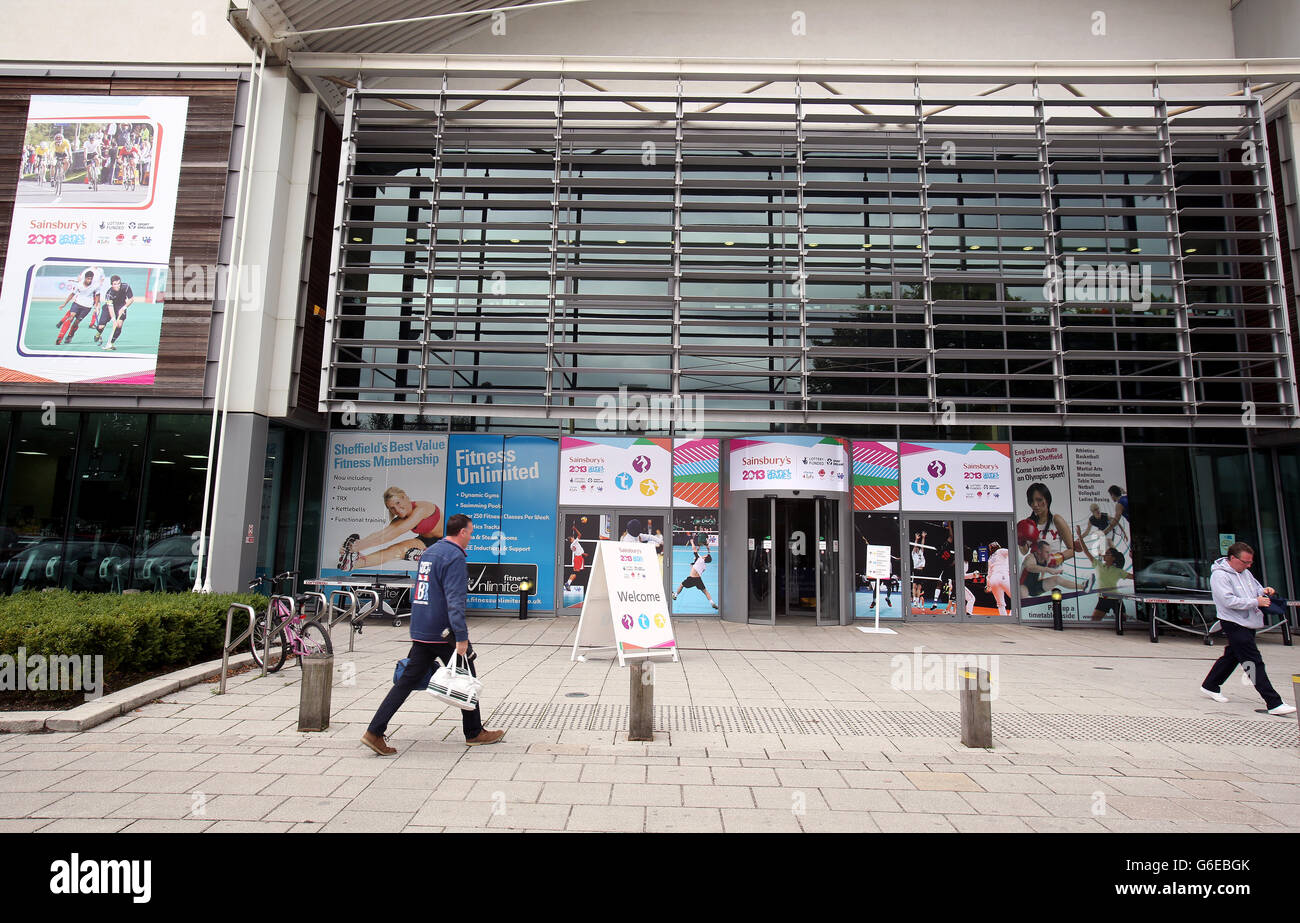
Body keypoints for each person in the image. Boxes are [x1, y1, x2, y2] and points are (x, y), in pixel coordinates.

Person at [362, 514, 506, 754]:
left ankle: (374, 732)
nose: (471, 537)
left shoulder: (430, 553)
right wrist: (461, 637)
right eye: (470, 532)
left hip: (422, 629)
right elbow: (455, 600)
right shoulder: (454, 557)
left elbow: (422, 589)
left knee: (406, 682)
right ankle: (474, 732)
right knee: (467, 675)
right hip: (443, 632)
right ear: (461, 532)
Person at [1199, 541, 1296, 715]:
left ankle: (1210, 685)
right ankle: (1273, 702)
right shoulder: (1220, 576)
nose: (1248, 565)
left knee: (1232, 655)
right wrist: (1255, 602)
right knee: (1253, 661)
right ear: (1232, 558)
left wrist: (1264, 592)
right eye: (1245, 562)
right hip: (1234, 622)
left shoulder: (1245, 572)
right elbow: (1227, 601)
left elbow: (1256, 589)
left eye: (1250, 562)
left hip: (1249, 621)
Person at [338, 486, 442, 571]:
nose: (397, 509)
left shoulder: (422, 508)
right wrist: (355, 545)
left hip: (446, 541)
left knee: (405, 550)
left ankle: (427, 554)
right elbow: (382, 533)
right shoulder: (400, 519)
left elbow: (395, 533)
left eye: (398, 503)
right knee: (393, 551)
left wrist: (359, 546)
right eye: (392, 508)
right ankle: (353, 563)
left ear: (404, 497)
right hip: (425, 541)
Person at [1075, 526, 1133, 621]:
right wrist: (1079, 536)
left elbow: (1134, 577)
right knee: (1094, 621)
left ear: (1113, 558)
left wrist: (1133, 558)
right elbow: (1086, 551)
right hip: (1103, 599)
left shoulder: (1118, 571)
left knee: (1123, 622)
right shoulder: (1098, 565)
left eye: (1108, 554)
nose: (1105, 555)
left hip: (1116, 599)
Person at [54, 267, 107, 345]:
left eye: (91, 279)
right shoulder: (78, 284)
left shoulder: (96, 285)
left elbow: (97, 295)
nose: (89, 280)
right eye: (88, 279)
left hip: (87, 307)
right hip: (77, 304)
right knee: (70, 317)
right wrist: (64, 304)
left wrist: (96, 306)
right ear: (85, 278)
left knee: (76, 323)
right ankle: (60, 337)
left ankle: (70, 336)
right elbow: (72, 294)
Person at [94, 274, 135, 349]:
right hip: (109, 308)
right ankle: (99, 333)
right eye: (115, 284)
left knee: (119, 325)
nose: (117, 286)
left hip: (121, 306)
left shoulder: (126, 287)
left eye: (119, 283)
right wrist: (113, 320)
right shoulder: (109, 294)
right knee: (101, 327)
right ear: (111, 284)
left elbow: (131, 299)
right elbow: (110, 308)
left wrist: (124, 307)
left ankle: (111, 343)